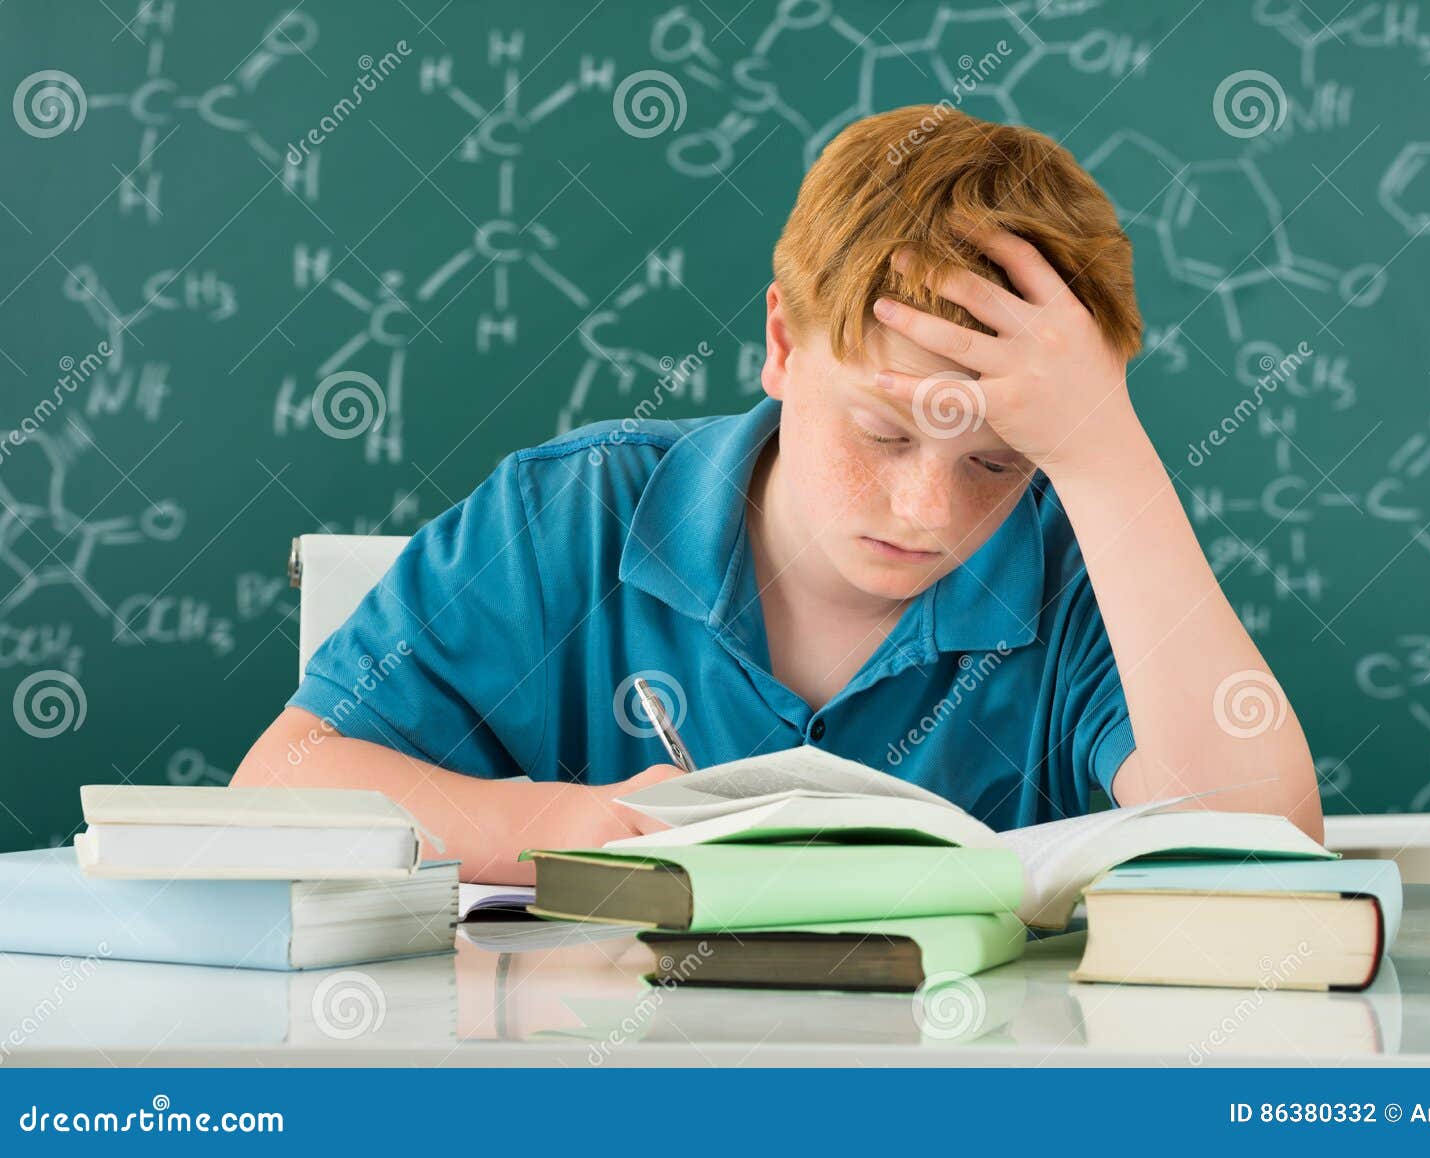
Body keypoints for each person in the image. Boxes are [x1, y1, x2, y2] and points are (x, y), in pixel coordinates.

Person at [233, 105, 1324, 882]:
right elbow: (279, 782)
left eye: (998, 461)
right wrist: (579, 827)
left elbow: (1262, 849)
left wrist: (1104, 454)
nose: (926, 513)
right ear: (781, 343)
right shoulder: (571, 512)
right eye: (881, 431)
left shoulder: (1086, 553)